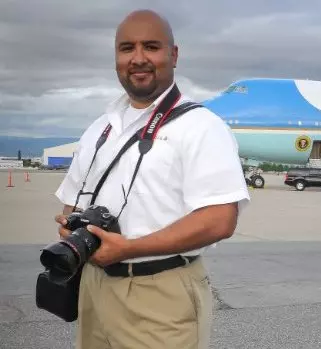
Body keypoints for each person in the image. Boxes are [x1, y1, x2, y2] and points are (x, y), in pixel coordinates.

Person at [54, 9, 250, 349]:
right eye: (127, 48)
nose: (138, 58)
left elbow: (220, 220)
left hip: (160, 291)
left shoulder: (201, 127)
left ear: (173, 55)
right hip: (93, 285)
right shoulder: (100, 128)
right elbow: (73, 202)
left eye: (152, 47)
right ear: (116, 56)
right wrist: (71, 226)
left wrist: (130, 248)